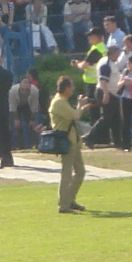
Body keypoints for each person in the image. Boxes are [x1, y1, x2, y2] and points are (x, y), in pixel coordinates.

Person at [49, 76, 92, 214]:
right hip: (66, 142)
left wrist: (81, 107)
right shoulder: (59, 102)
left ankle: (70, 200)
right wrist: (80, 105)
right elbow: (75, 116)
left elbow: (74, 115)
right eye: (71, 87)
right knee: (66, 174)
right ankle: (63, 205)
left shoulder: (63, 101)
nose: (73, 89)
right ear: (66, 88)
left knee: (80, 172)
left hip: (73, 141)